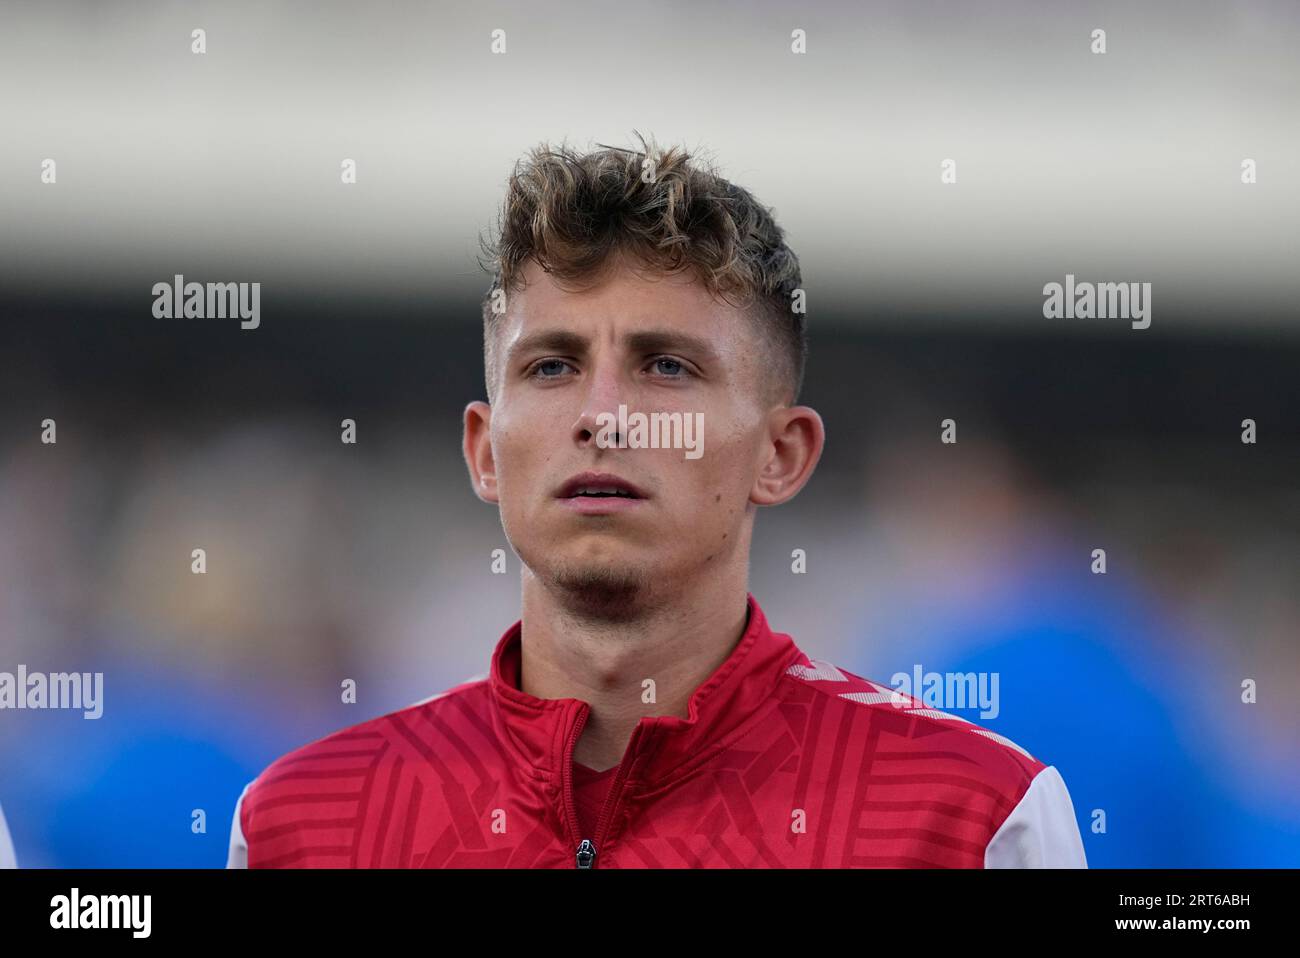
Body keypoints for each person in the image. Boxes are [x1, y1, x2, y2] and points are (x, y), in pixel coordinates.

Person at [227, 135, 1086, 868]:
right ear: (486, 453)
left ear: (781, 456)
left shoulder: (969, 819)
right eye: (552, 366)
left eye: (667, 366)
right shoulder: (302, 828)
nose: (602, 418)